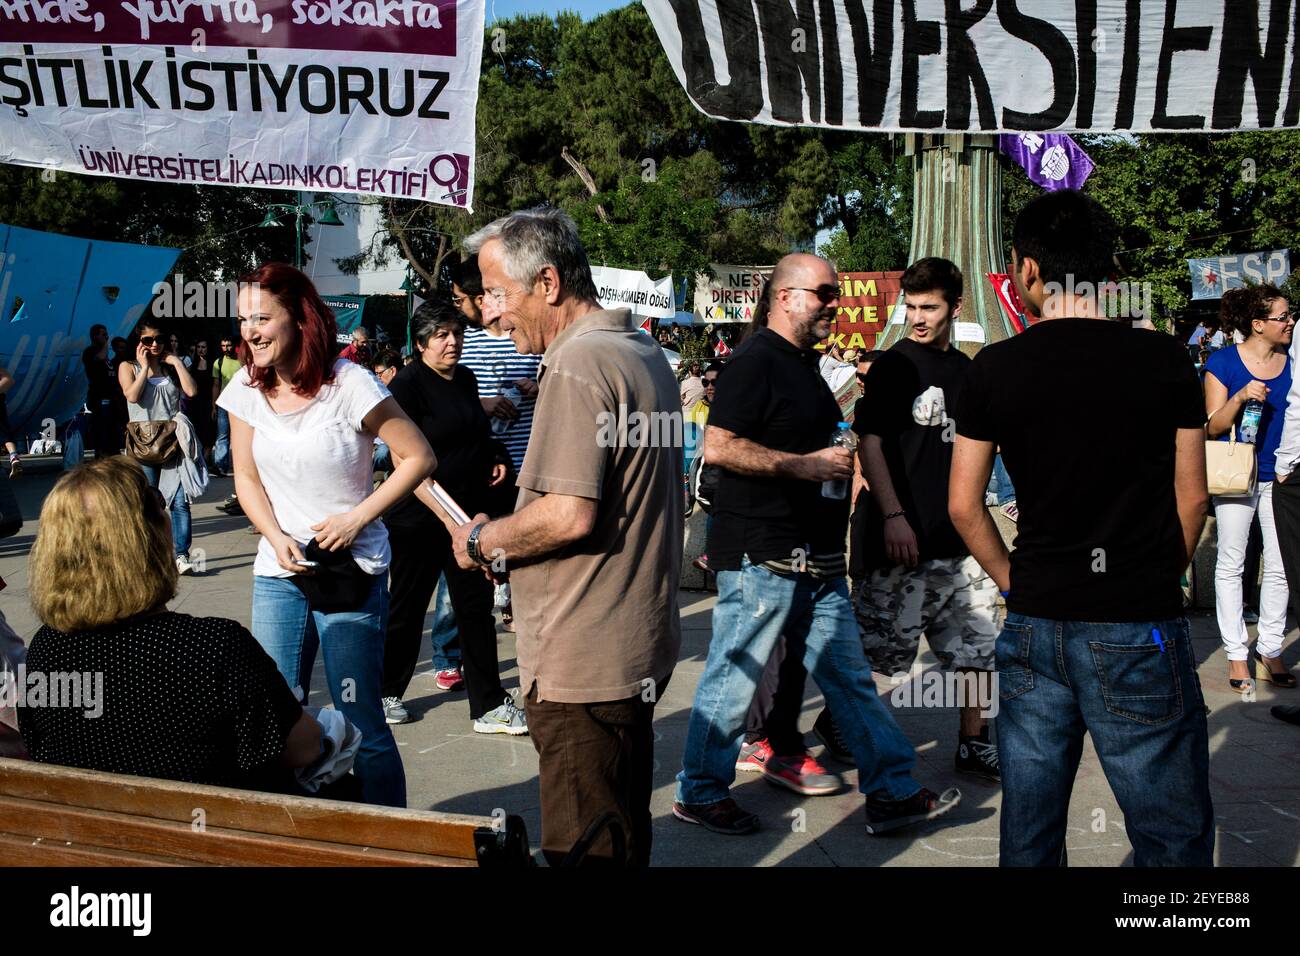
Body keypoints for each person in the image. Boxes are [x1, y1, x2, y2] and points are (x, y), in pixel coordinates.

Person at [949, 189, 1214, 867]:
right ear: (1108, 270)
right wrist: (1158, 577)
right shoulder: (1164, 362)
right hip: (1138, 619)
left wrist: (1015, 582)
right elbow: (1192, 500)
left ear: (1027, 269)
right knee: (1169, 831)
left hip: (1036, 618)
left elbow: (964, 505)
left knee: (1030, 830)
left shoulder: (995, 370)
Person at [674, 252, 960, 836]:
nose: (835, 302)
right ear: (784, 297)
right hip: (764, 558)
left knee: (850, 680)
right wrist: (806, 467)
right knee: (735, 677)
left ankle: (892, 791)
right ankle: (699, 792)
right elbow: (720, 448)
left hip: (815, 562)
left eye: (835, 293)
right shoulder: (756, 360)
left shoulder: (804, 364)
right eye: (823, 292)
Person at [453, 207, 683, 866]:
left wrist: (483, 540)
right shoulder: (635, 349)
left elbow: (568, 514)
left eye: (498, 293)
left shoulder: (577, 364)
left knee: (586, 847)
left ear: (548, 284)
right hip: (628, 650)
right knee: (619, 831)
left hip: (584, 664)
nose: (490, 313)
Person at [217, 262, 436, 807]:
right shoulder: (245, 387)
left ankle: (391, 842)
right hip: (279, 572)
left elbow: (418, 458)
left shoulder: (350, 383)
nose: (250, 330)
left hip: (350, 571)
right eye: (244, 318)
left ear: (299, 317)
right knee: (275, 716)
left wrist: (357, 518)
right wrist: (272, 533)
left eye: (262, 317)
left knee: (360, 720)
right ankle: (300, 837)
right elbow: (244, 476)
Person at [19, 456, 324, 789]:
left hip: (86, 832)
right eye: (156, 503)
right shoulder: (212, 646)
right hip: (208, 833)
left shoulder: (47, 647)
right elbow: (304, 748)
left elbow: (37, 745)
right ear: (145, 538)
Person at [816, 257, 1001, 782]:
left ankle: (973, 742)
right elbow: (868, 443)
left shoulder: (968, 372)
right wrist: (894, 515)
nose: (919, 317)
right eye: (912, 306)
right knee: (884, 662)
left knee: (979, 647)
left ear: (955, 308)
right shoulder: (895, 365)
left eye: (930, 307)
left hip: (957, 539)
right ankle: (838, 722)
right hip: (897, 539)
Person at [380, 300, 521, 732]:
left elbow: (476, 433)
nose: (452, 342)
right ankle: (385, 693)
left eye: (456, 333)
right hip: (418, 518)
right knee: (408, 607)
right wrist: (447, 515)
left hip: (467, 518)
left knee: (475, 609)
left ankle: (488, 706)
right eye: (441, 335)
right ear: (421, 343)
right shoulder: (406, 386)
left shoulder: (466, 379)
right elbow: (401, 457)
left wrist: (496, 457)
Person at [1204, 284, 1296, 692]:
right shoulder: (1223, 362)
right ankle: (1237, 654)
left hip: (1283, 476)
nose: (1290, 321)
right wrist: (1241, 396)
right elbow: (1212, 426)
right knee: (1231, 561)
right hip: (1236, 474)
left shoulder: (1294, 362)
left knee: (1280, 566)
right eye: (1282, 316)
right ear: (1258, 325)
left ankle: (1271, 649)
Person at [454, 255, 540, 632]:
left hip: (526, 462)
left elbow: (556, 381)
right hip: (481, 465)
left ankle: (515, 610)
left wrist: (539, 386)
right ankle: (452, 648)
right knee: (471, 548)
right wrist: (484, 404)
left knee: (521, 544)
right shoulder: (464, 343)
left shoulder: (530, 339)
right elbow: (451, 399)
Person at [118, 322, 201, 573]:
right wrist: (144, 368)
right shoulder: (128, 366)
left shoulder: (171, 368)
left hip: (171, 442)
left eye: (160, 339)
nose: (155, 344)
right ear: (139, 342)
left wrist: (177, 363)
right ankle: (149, 555)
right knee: (148, 501)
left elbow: (192, 391)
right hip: (143, 444)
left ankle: (181, 555)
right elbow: (131, 396)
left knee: (179, 501)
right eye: (148, 340)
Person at [82, 323, 123, 458]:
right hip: (99, 398)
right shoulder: (90, 351)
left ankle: (113, 454)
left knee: (112, 429)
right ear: (95, 336)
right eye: (102, 334)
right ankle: (102, 456)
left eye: (106, 333)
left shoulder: (107, 357)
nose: (106, 336)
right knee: (102, 430)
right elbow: (99, 358)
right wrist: (106, 343)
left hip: (112, 397)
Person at [211, 336, 241, 478]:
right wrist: (214, 404)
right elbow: (216, 384)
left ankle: (240, 466)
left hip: (240, 403)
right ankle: (220, 465)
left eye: (228, 345)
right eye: (223, 345)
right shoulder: (218, 362)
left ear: (233, 345)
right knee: (222, 435)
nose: (226, 348)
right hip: (223, 402)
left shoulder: (242, 361)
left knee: (239, 434)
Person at [186, 340, 216, 461]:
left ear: (208, 348)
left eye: (203, 347)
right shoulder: (193, 364)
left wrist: (214, 404)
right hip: (195, 402)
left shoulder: (213, 364)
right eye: (198, 347)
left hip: (208, 401)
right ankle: (200, 458)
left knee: (209, 430)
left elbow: (215, 384)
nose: (200, 349)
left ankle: (206, 458)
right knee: (197, 430)